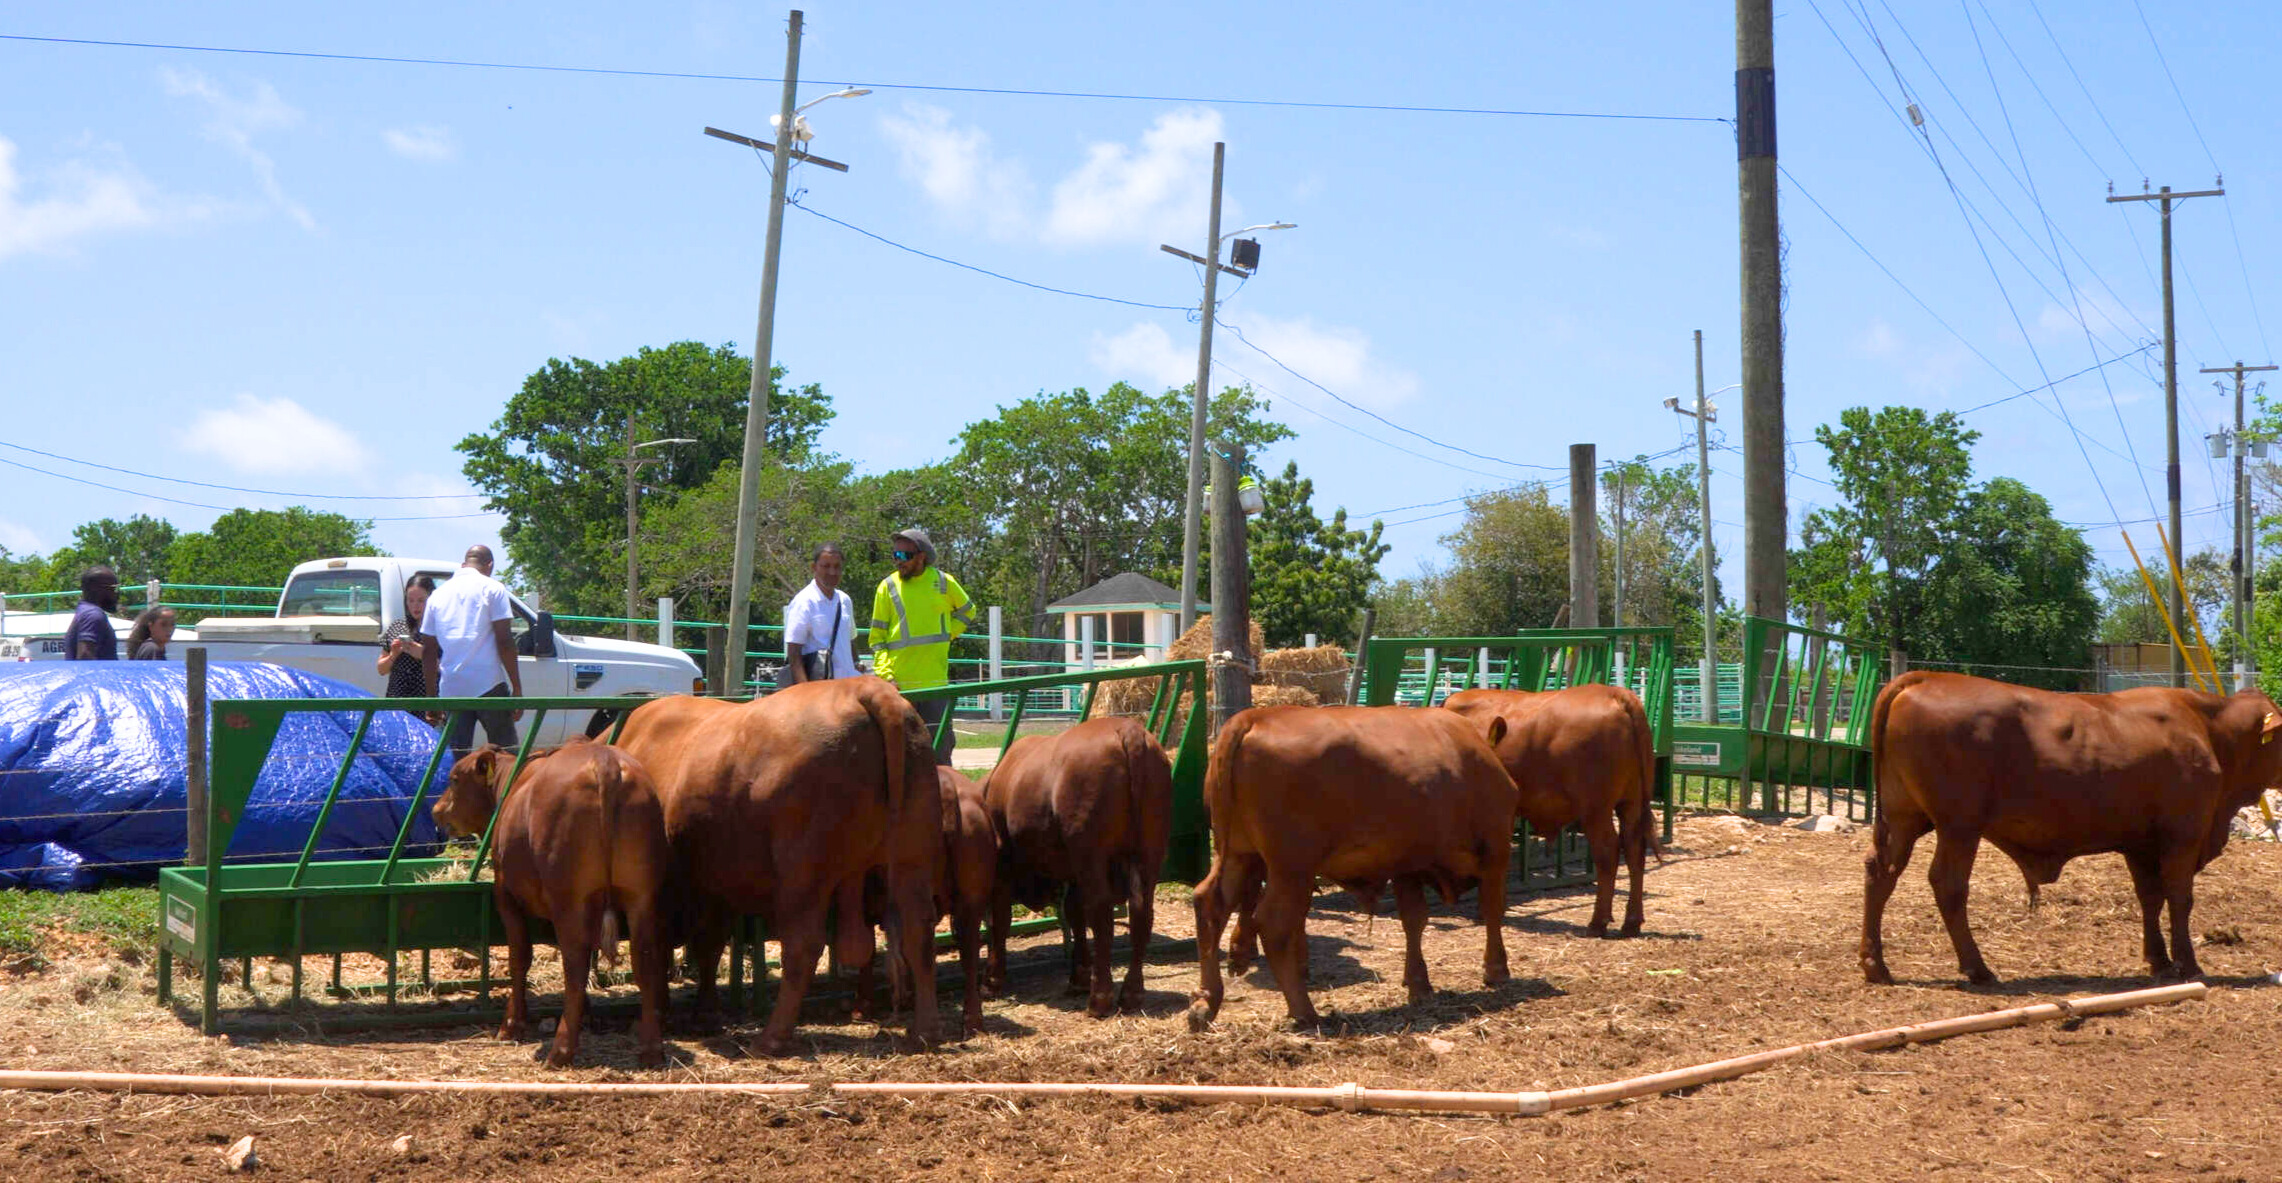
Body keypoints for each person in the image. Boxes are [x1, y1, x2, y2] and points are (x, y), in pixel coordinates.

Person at [867, 526, 973, 765]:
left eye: (904, 556)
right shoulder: (887, 587)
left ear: (921, 556)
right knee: (899, 754)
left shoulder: (944, 582)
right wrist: (887, 677)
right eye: (895, 555)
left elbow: (969, 611)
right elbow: (877, 639)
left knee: (940, 752)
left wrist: (948, 634)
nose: (898, 561)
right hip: (901, 688)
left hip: (936, 685)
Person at [417, 545, 523, 758]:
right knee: (507, 758)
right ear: (490, 565)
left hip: (452, 688)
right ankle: (502, 792)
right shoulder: (493, 588)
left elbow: (428, 650)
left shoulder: (437, 595)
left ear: (464, 564)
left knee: (457, 763)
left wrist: (432, 699)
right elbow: (505, 641)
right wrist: (517, 688)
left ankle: (458, 792)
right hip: (489, 686)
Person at [782, 543, 856, 685]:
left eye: (837, 566)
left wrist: (857, 664)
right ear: (814, 567)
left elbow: (851, 640)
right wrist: (805, 692)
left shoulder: (844, 600)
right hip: (821, 690)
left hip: (847, 686)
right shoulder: (804, 602)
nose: (832, 572)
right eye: (826, 566)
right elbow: (794, 653)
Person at [378, 574, 437, 702]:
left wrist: (424, 655)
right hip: (397, 701)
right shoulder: (397, 627)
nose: (415, 606)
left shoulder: (440, 629)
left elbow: (449, 670)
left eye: (421, 601)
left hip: (427, 702)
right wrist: (393, 655)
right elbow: (381, 670)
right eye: (410, 600)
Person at [62, 566, 121, 661]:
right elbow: (85, 656)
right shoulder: (93, 615)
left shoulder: (84, 611)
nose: (117, 594)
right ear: (98, 589)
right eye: (114, 588)